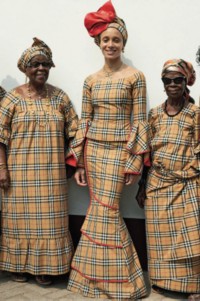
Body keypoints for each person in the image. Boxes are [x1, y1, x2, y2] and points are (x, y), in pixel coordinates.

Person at [65, 1, 149, 299]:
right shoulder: (90, 81)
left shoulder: (135, 77)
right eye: (106, 40)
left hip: (118, 155)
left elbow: (139, 121)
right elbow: (84, 122)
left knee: (108, 212)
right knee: (99, 211)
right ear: (98, 43)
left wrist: (134, 162)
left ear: (123, 42)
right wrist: (80, 165)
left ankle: (120, 283)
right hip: (94, 154)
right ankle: (95, 282)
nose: (110, 44)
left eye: (116, 39)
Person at [0, 38, 78, 285]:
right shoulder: (11, 99)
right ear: (25, 69)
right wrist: (1, 168)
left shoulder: (60, 98)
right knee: (18, 222)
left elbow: (76, 131)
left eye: (45, 64)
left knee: (51, 223)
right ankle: (18, 266)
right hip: (18, 175)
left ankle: (47, 268)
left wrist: (74, 163)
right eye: (35, 64)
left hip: (51, 176)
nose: (41, 68)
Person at [136, 59, 200, 300]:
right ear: (162, 84)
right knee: (159, 237)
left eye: (178, 80)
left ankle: (193, 286)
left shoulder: (195, 113)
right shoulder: (154, 115)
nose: (172, 84)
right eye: (167, 80)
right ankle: (164, 282)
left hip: (187, 183)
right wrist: (142, 185)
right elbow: (147, 154)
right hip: (157, 185)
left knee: (189, 237)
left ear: (186, 82)